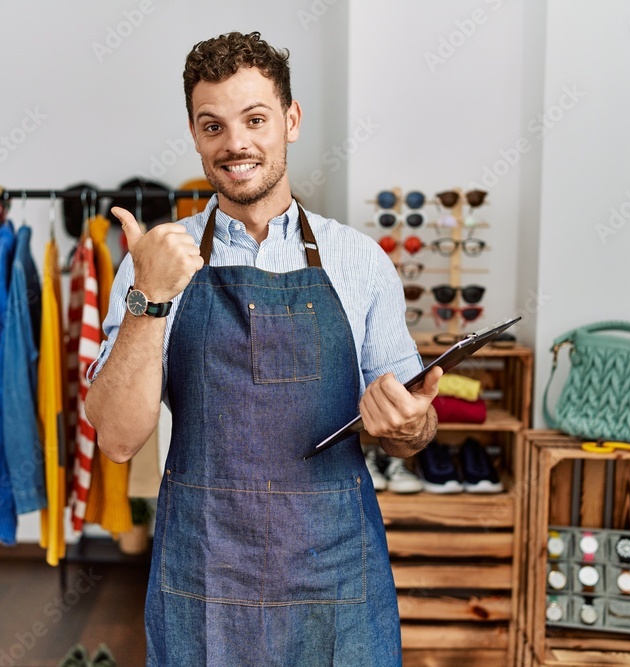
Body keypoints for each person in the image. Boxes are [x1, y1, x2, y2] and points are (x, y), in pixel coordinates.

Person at [85, 31, 441, 666]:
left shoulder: (360, 260)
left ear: (291, 120)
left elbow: (413, 431)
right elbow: (115, 437)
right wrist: (150, 299)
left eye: (255, 119)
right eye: (213, 125)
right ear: (195, 135)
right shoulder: (157, 263)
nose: (236, 143)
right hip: (205, 573)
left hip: (334, 574)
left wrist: (410, 424)